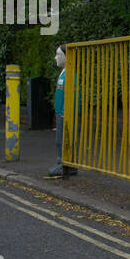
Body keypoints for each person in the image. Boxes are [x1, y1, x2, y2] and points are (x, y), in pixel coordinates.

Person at [44, 46, 76, 178]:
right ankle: (61, 162)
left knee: (64, 139)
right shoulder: (64, 73)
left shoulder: (71, 74)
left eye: (58, 54)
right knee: (59, 139)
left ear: (66, 56)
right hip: (60, 111)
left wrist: (65, 111)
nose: (55, 57)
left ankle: (67, 165)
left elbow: (73, 95)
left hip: (65, 112)